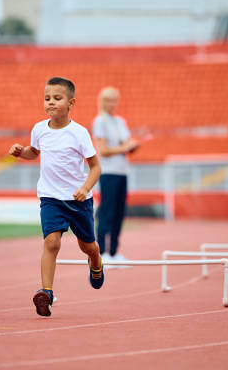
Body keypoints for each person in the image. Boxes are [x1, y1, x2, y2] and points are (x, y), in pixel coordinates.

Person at [9, 77, 103, 317]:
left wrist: (85, 188)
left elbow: (95, 167)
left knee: (88, 246)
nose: (50, 103)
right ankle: (46, 293)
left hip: (78, 200)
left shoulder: (79, 133)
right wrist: (22, 153)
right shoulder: (39, 129)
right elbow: (34, 152)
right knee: (52, 242)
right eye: (47, 98)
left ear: (71, 103)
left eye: (57, 98)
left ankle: (96, 261)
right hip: (50, 197)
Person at [92, 86, 139, 265]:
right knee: (107, 211)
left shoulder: (120, 121)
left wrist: (131, 146)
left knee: (119, 212)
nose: (111, 104)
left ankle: (114, 252)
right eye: (108, 100)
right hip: (108, 172)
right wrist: (125, 147)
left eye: (114, 100)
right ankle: (102, 252)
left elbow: (125, 144)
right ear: (102, 102)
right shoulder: (100, 121)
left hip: (122, 171)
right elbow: (103, 150)